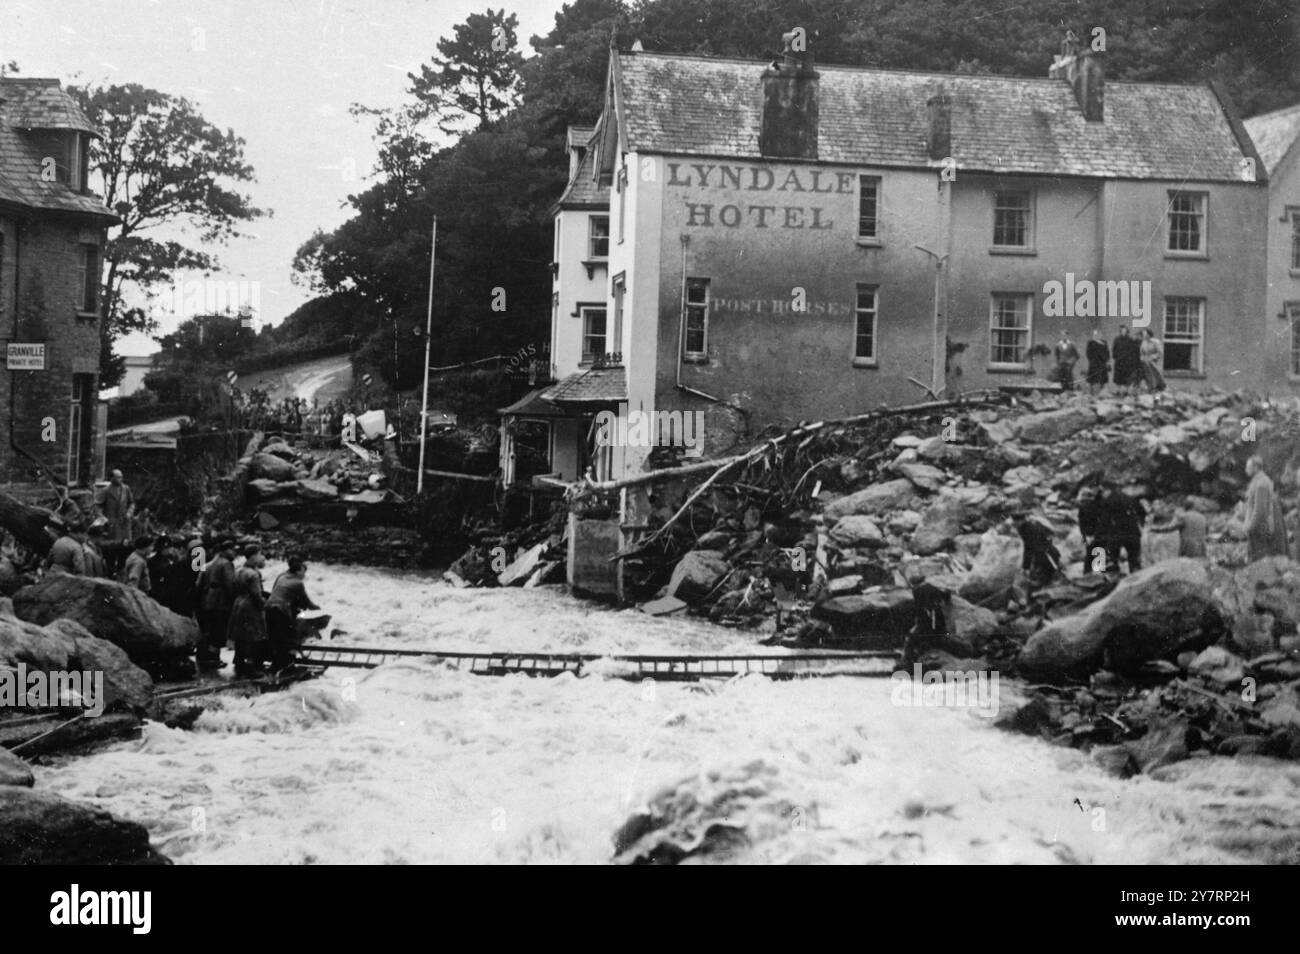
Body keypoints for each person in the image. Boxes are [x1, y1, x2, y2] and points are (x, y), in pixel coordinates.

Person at [265, 555, 320, 673]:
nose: (304, 575)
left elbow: (275, 591)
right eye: (303, 572)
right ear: (299, 570)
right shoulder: (298, 582)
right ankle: (287, 666)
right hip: (281, 610)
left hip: (269, 608)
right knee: (289, 637)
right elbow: (305, 601)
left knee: (276, 637)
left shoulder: (281, 576)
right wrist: (317, 608)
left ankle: (276, 664)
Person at [196, 539, 237, 670]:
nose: (234, 553)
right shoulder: (226, 564)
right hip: (220, 602)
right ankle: (214, 659)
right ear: (225, 550)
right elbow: (230, 584)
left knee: (207, 631)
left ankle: (203, 658)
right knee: (217, 632)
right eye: (232, 550)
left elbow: (198, 585)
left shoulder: (207, 564)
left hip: (206, 601)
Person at [228, 546, 269, 677]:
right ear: (253, 556)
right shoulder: (253, 574)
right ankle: (251, 668)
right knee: (253, 635)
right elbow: (256, 594)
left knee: (240, 635)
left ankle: (239, 663)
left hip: (238, 603)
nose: (261, 557)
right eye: (259, 554)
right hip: (250, 606)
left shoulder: (239, 570)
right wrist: (264, 605)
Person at [1244, 455, 1288, 562]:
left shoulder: (1261, 483)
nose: (1246, 469)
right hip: (1259, 529)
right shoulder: (1258, 481)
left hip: (1261, 530)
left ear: (1255, 467)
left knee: (1260, 562)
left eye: (1248, 467)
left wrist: (1250, 528)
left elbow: (1260, 511)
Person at [1102, 485, 1145, 573]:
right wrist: (1141, 523)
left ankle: (1114, 579)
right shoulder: (1129, 498)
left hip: (1117, 533)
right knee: (1134, 559)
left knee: (1112, 558)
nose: (1102, 494)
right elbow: (1142, 511)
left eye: (1103, 492)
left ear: (1107, 490)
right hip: (1133, 532)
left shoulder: (1108, 500)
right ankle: (1136, 579)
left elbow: (1105, 519)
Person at [1016, 517, 1060, 589]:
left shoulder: (1026, 529)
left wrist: (1026, 567)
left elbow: (1028, 549)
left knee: (1049, 572)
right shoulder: (1029, 526)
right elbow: (1028, 548)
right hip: (1045, 552)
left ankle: (1046, 583)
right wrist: (1026, 566)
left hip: (1047, 555)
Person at [1077, 485, 1110, 573]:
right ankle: (1097, 578)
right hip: (1098, 535)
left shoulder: (1082, 508)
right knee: (1098, 555)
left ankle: (1087, 576)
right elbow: (1102, 522)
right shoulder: (1100, 505)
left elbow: (1081, 524)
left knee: (1089, 556)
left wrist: (1085, 536)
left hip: (1089, 535)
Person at [96, 469, 135, 544]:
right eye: (118, 477)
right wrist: (103, 518)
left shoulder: (126, 489)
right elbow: (97, 506)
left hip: (125, 521)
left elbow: (132, 503)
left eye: (121, 477)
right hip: (112, 523)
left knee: (127, 544)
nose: (121, 479)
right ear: (112, 478)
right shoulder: (106, 490)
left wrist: (129, 513)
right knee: (114, 544)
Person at [1112, 326, 1140, 392]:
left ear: (1127, 332)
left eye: (1125, 331)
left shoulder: (1130, 340)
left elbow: (1133, 351)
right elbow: (1114, 349)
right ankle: (1119, 391)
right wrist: (1116, 357)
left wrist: (1130, 360)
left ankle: (1126, 391)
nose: (1123, 332)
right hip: (1119, 361)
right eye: (1122, 331)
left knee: (1126, 377)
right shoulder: (1117, 339)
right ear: (1120, 331)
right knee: (1118, 377)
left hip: (1127, 362)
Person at [1139, 329, 1166, 393]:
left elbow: (1160, 353)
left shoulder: (1155, 342)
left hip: (1154, 363)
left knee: (1157, 379)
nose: (1144, 335)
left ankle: (1157, 398)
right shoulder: (1143, 342)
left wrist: (1152, 357)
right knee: (1149, 378)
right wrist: (1142, 358)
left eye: (1145, 334)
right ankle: (1151, 390)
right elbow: (1141, 352)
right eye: (1143, 334)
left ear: (1149, 334)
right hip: (1146, 363)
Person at [1085, 329, 1110, 394]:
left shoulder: (1104, 342)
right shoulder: (1091, 342)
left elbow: (1107, 352)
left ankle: (1101, 393)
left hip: (1102, 364)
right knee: (1094, 379)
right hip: (1094, 364)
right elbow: (1088, 353)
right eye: (1096, 335)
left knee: (1103, 379)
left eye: (1099, 334)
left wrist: (1106, 359)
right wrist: (1093, 360)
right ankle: (1093, 393)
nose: (1097, 336)